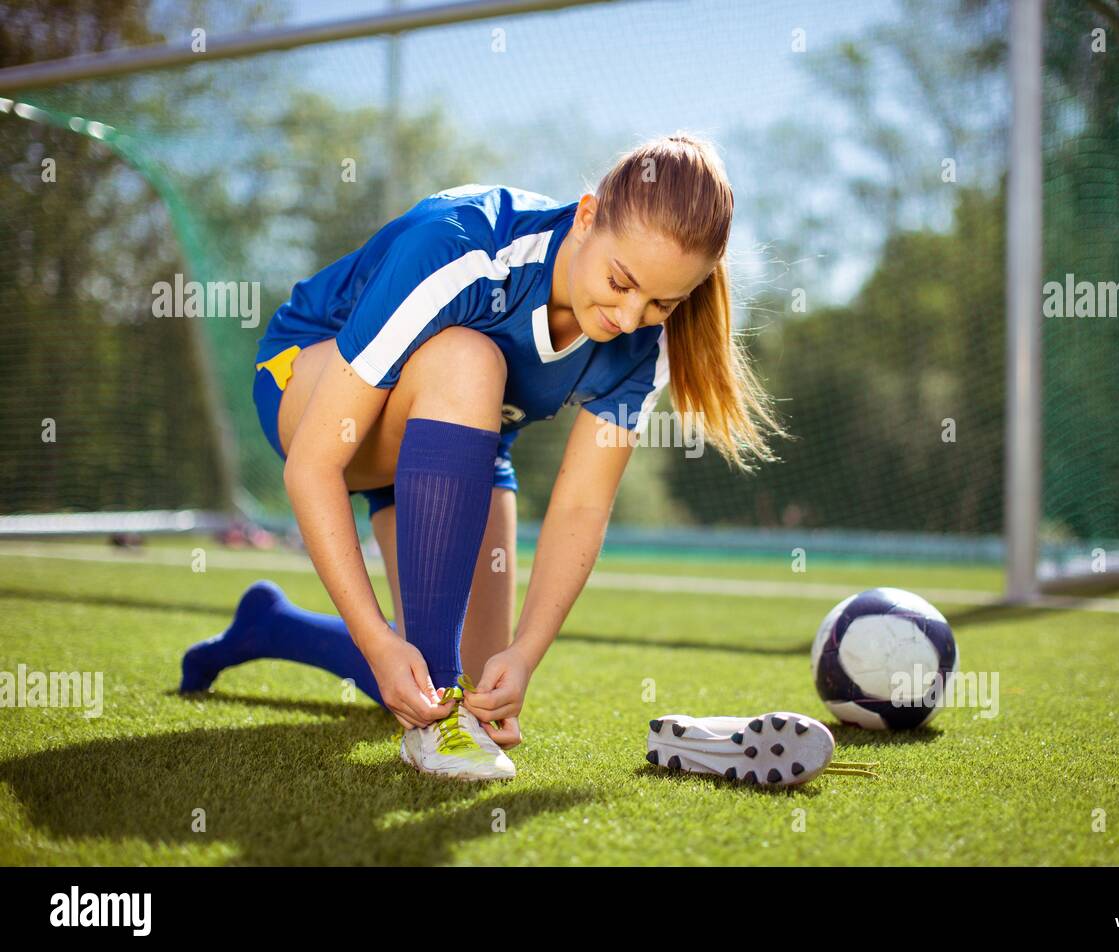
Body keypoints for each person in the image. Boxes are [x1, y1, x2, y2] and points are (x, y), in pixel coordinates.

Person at [180, 132, 787, 781]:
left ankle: (270, 627)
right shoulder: (464, 247)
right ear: (586, 216)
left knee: (474, 685)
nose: (630, 315)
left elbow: (582, 504)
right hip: (313, 391)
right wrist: (375, 636)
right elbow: (312, 466)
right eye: (621, 280)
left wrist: (525, 654)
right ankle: (434, 719)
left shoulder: (646, 342)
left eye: (662, 302)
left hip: (456, 440)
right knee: (471, 357)